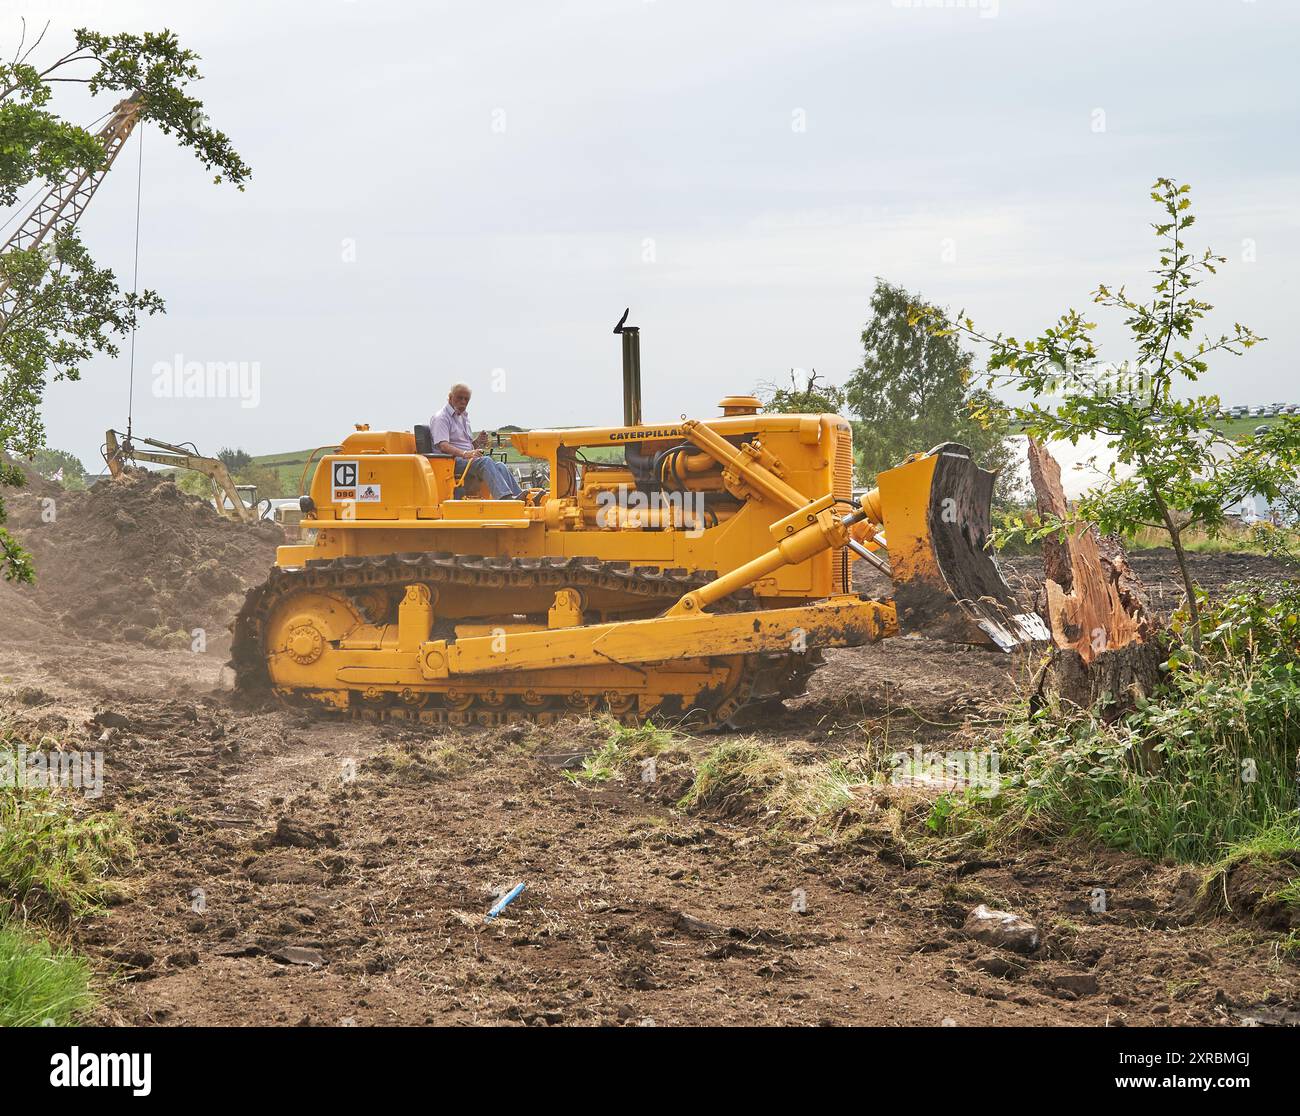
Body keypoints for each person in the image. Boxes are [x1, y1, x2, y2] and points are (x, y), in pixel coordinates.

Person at [430, 383, 524, 499]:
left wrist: (477, 442)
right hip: (451, 462)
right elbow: (443, 446)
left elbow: (466, 446)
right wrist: (465, 454)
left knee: (500, 466)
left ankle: (520, 497)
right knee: (485, 461)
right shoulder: (441, 418)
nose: (463, 402)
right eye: (460, 398)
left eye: (466, 399)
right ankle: (505, 498)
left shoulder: (463, 418)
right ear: (450, 397)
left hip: (465, 459)